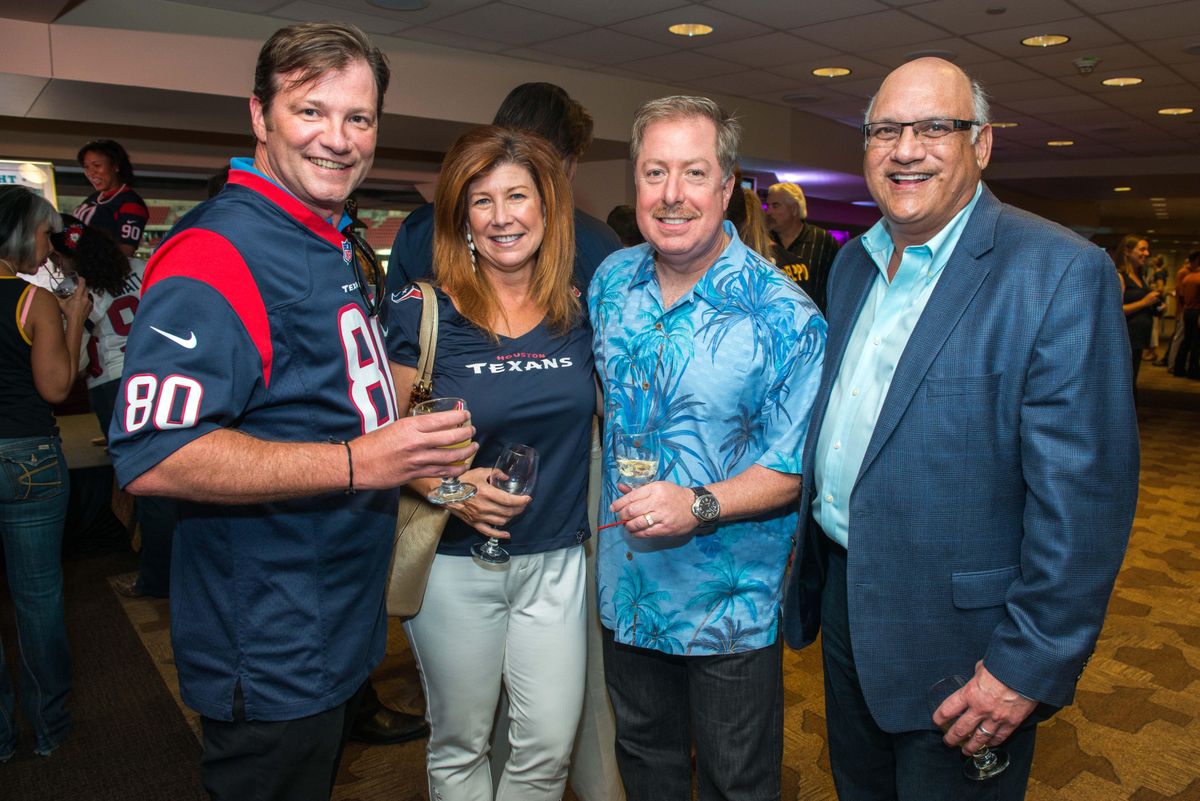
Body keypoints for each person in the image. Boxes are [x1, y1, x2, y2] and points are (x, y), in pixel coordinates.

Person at [106, 22, 477, 801]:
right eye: (311, 111)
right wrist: (359, 462)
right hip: (270, 642)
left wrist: (405, 454)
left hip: (334, 621)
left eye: (360, 118)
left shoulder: (323, 236)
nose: (339, 139)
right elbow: (152, 455)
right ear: (260, 115)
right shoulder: (219, 251)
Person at [783, 57, 1138, 801]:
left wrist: (1025, 663)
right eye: (885, 130)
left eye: (933, 127)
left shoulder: (1057, 273)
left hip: (967, 638)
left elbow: (1084, 502)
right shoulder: (852, 265)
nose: (905, 148)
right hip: (851, 597)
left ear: (981, 144)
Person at [389, 79, 624, 801]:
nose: (501, 217)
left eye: (518, 197)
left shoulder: (578, 314)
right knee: (460, 742)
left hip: (556, 561)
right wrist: (452, 489)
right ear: (460, 215)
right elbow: (381, 440)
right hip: (457, 565)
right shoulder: (423, 310)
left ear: (547, 209)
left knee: (548, 746)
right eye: (482, 200)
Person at [589, 96, 826, 801]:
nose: (671, 195)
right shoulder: (610, 284)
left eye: (694, 173)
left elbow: (791, 470)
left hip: (729, 609)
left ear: (727, 187)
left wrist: (698, 501)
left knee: (736, 784)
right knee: (646, 768)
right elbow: (609, 405)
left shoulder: (786, 315)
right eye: (654, 172)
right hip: (627, 592)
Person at [0, 186, 91, 760]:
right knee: (37, 598)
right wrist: (75, 317)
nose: (48, 244)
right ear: (20, 234)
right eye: (43, 233)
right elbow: (57, 387)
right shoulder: (32, 301)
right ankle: (51, 726)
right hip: (28, 457)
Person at [47, 214, 176, 599]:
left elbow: (81, 363)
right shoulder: (141, 266)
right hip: (161, 377)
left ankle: (156, 578)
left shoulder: (75, 290)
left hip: (116, 388)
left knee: (148, 486)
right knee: (170, 477)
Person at [765, 181, 839, 312]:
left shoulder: (822, 241)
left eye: (775, 206)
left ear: (794, 209)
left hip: (815, 324)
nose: (769, 212)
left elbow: (838, 285)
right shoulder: (764, 242)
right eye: (768, 206)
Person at [73, 139, 149, 258]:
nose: (91, 173)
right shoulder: (91, 200)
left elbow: (125, 251)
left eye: (97, 165)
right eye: (86, 167)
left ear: (116, 166)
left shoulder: (130, 203)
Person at [1116, 234, 1160, 398]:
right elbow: (1116, 311)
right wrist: (1144, 302)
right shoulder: (1120, 276)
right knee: (1126, 384)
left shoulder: (1140, 276)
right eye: (1142, 249)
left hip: (1138, 338)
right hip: (1127, 337)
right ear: (1127, 251)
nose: (1147, 253)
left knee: (1132, 382)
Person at [1173, 249, 1200, 380]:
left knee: (1186, 341)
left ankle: (1178, 368)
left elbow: (1182, 295)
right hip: (1196, 313)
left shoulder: (1188, 277)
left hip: (1187, 311)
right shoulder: (1197, 277)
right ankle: (1193, 371)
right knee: (1195, 343)